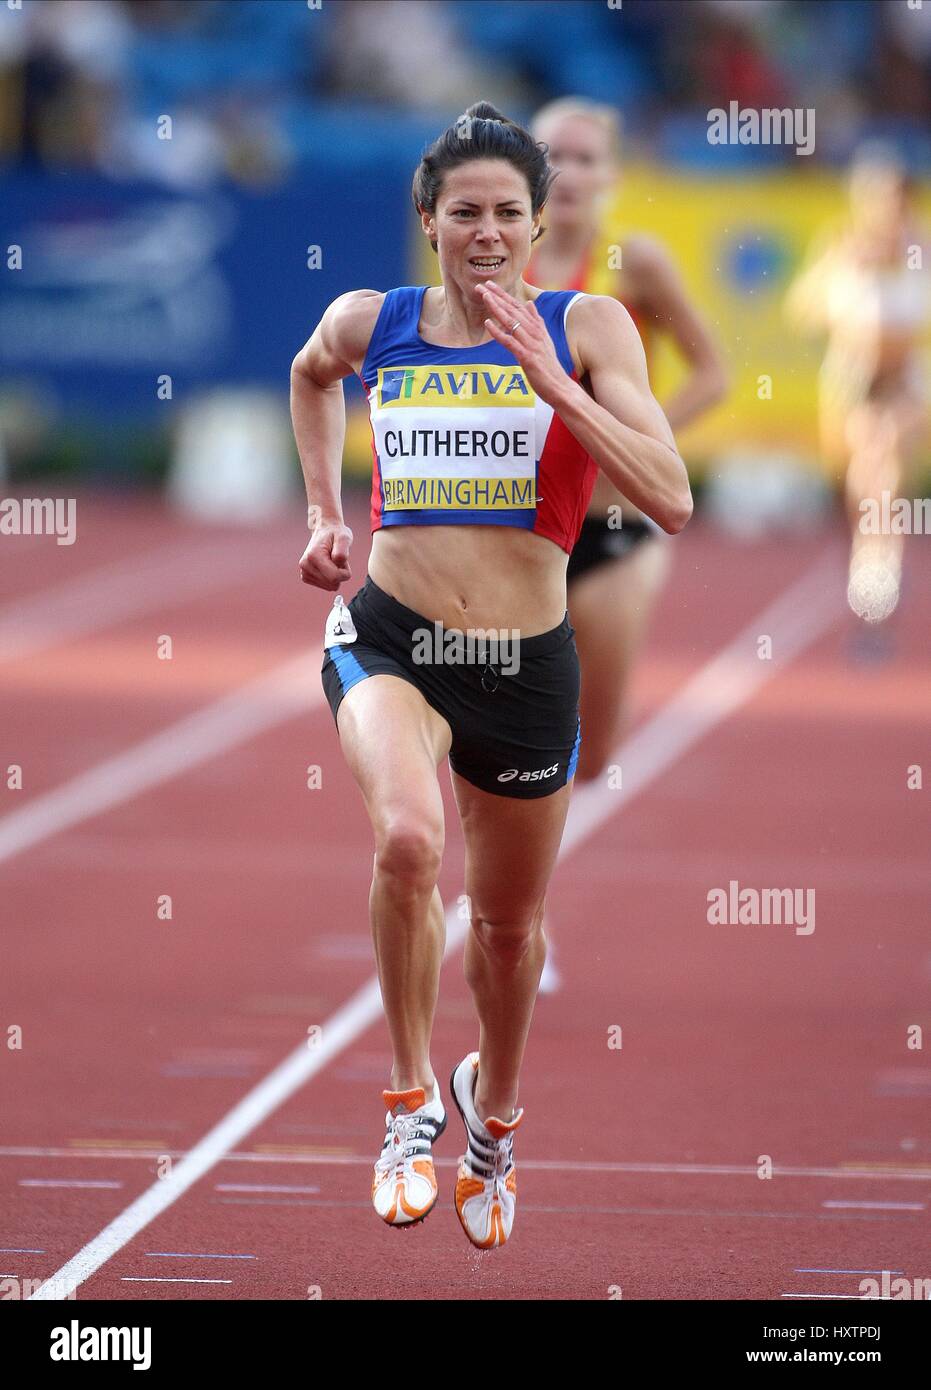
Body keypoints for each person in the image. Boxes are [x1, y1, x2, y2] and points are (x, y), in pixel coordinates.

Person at [290, 101, 692, 1249]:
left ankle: (493, 1120)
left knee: (509, 934)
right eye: (462, 210)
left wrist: (555, 384)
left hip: (522, 666)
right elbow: (310, 373)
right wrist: (324, 511)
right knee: (409, 843)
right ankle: (408, 1104)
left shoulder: (592, 325)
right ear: (428, 221)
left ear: (537, 221)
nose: (486, 229)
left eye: (507, 211)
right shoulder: (377, 322)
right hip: (392, 641)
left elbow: (669, 496)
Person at [526, 97, 728, 994]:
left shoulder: (631, 262)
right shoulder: (499, 255)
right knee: (519, 733)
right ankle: (523, 918)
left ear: (609, 174)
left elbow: (713, 371)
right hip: (523, 525)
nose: (566, 173)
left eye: (583, 158)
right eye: (551, 155)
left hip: (610, 529)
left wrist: (636, 441)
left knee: (592, 748)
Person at [785, 143, 928, 632]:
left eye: (893, 197)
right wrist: (836, 289)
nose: (885, 208)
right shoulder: (841, 246)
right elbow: (801, 310)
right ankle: (866, 564)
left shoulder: (921, 249)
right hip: (852, 383)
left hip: (905, 382)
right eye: (874, 197)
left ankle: (879, 580)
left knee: (882, 466)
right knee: (858, 487)